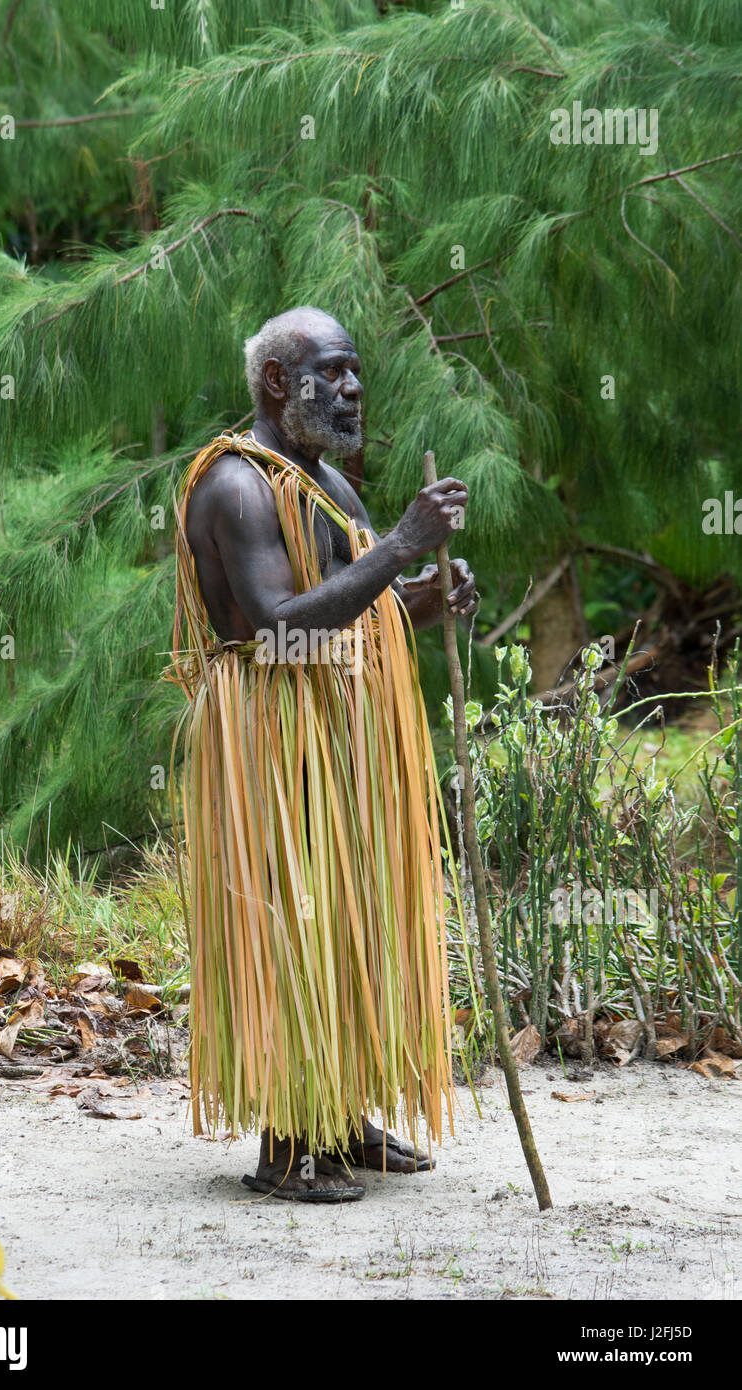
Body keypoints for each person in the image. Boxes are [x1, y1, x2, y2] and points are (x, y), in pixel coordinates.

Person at [169, 306, 477, 1201]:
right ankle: (287, 1145)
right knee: (291, 921)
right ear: (277, 382)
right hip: (268, 737)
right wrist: (404, 547)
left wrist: (423, 594)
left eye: (355, 373)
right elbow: (274, 633)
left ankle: (340, 1114)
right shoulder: (236, 486)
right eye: (332, 372)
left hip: (337, 737)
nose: (352, 389)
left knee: (348, 923)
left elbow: (352, 608)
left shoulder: (330, 487)